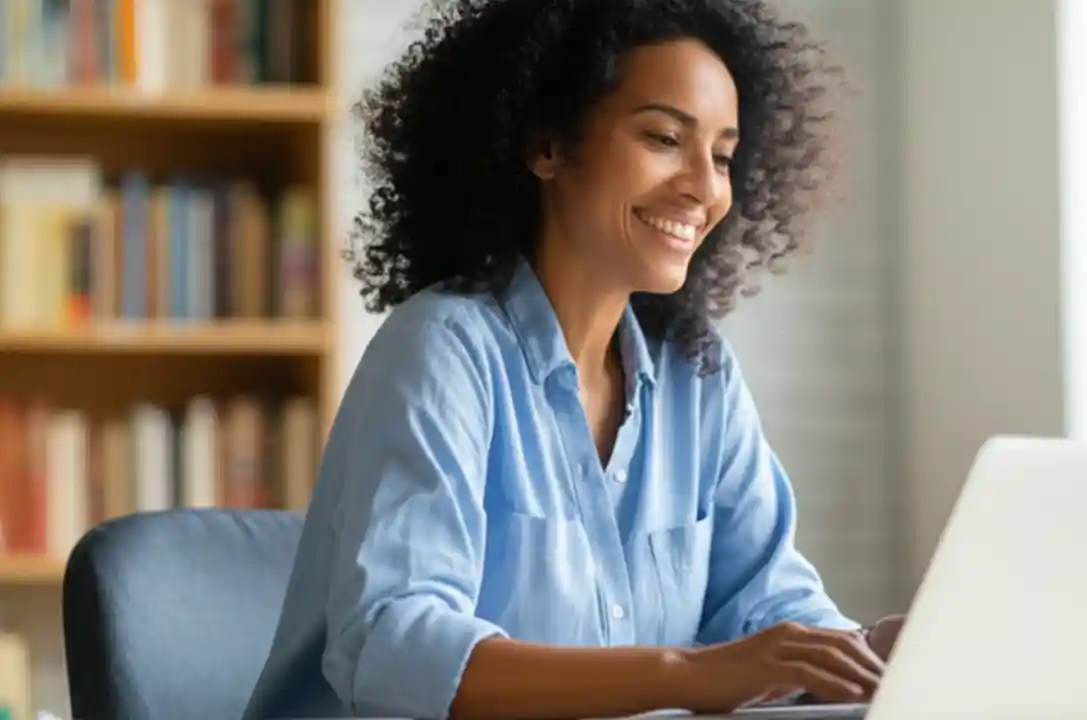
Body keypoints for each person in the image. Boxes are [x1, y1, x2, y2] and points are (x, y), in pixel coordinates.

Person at [244, 0, 904, 718]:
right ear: (545, 145)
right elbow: (396, 646)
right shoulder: (442, 351)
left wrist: (871, 650)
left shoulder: (697, 374)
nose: (704, 188)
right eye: (663, 138)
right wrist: (686, 672)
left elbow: (764, 605)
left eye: (721, 156)